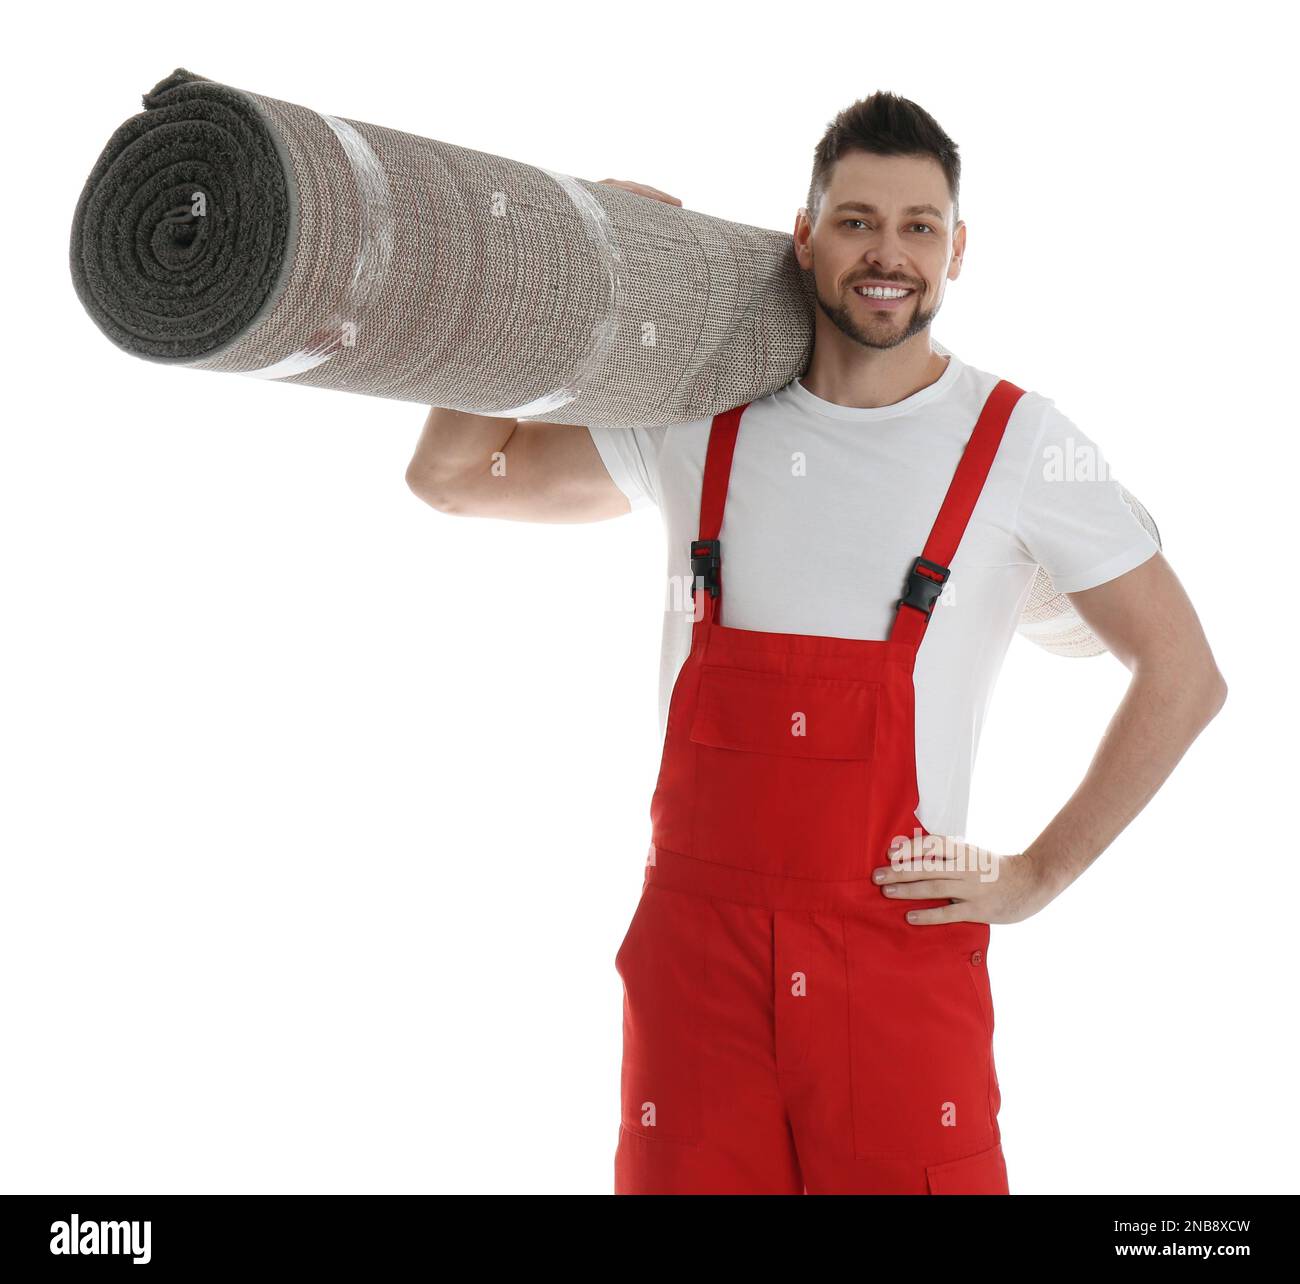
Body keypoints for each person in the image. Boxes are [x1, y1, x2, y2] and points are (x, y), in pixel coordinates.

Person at [404, 93, 1226, 1195]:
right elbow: (453, 476)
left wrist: (1040, 872)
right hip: (696, 978)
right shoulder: (695, 415)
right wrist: (556, 268)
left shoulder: (1016, 445)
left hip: (894, 970)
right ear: (803, 234)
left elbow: (1183, 673)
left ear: (955, 249)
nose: (887, 254)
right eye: (854, 221)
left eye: (918, 226)